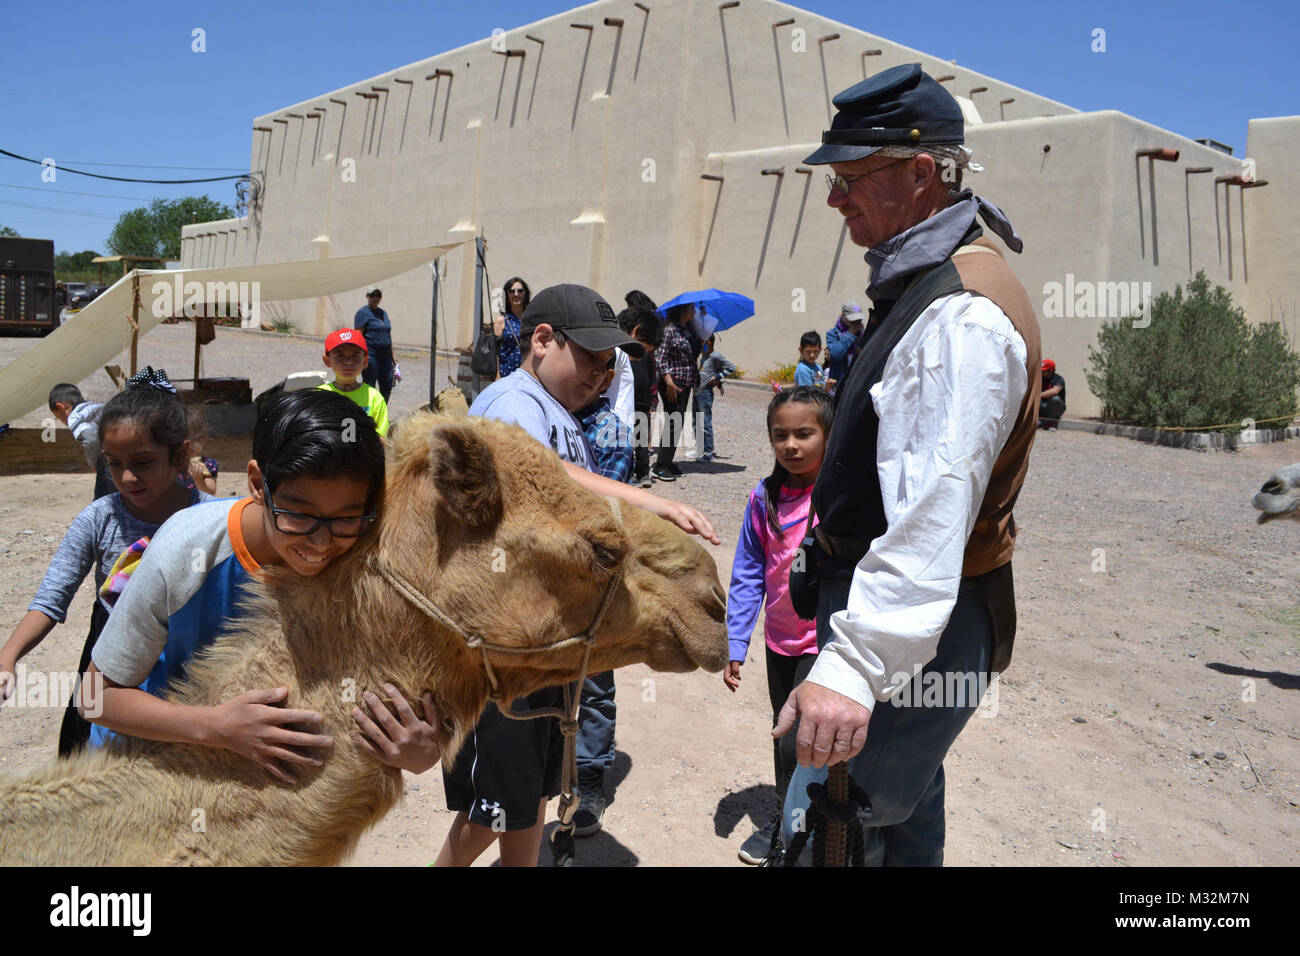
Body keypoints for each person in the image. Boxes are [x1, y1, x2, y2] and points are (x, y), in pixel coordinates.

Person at [773, 63, 1042, 866]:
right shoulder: (925, 281)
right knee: (905, 814)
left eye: (851, 177)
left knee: (838, 825)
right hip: (910, 622)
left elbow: (931, 516)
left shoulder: (961, 316)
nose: (834, 198)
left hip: (918, 623)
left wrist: (854, 669)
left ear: (922, 173)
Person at [436, 283, 718, 866]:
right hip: (503, 651)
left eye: (610, 363)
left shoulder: (555, 410)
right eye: (590, 357)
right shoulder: (513, 400)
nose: (602, 373)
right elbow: (542, 479)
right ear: (543, 340)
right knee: (495, 803)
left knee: (532, 794)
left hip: (542, 646)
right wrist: (650, 506)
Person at [78, 389, 439, 779]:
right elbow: (95, 698)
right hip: (153, 773)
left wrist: (422, 751)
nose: (321, 543)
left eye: (346, 518)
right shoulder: (186, 550)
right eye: (298, 516)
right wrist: (217, 727)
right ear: (256, 483)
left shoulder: (366, 556)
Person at [2, 370, 214, 755]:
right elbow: (51, 599)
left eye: (143, 462)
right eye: (114, 463)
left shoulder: (211, 519)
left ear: (180, 455)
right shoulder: (100, 519)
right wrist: (8, 657)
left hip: (188, 660)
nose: (127, 477)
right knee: (93, 761)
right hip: (109, 662)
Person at [723, 386, 833, 864]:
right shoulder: (764, 498)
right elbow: (748, 572)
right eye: (779, 435)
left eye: (804, 434)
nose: (791, 445)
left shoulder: (838, 498)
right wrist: (736, 641)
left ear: (829, 436)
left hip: (823, 643)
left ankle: (795, 834)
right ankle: (791, 820)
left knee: (797, 741)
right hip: (780, 641)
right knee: (782, 732)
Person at [652, 304, 699, 482]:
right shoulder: (669, 330)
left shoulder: (690, 330)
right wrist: (668, 380)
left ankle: (667, 461)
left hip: (685, 382)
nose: (694, 312)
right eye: (691, 309)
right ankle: (660, 466)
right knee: (673, 421)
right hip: (672, 383)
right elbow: (660, 358)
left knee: (677, 422)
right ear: (683, 311)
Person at [618, 300, 662, 489]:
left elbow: (652, 376)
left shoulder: (623, 356)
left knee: (641, 440)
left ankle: (641, 473)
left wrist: (652, 399)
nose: (642, 355)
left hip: (642, 403)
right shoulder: (612, 356)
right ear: (636, 332)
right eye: (645, 349)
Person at [318, 327, 390, 437]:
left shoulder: (374, 398)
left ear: (365, 361)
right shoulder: (320, 396)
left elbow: (382, 438)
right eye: (340, 356)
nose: (348, 362)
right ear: (327, 361)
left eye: (355, 356)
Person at [48, 383, 114, 500]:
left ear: (61, 408)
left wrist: (93, 463)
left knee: (103, 501)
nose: (63, 422)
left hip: (108, 463)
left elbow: (91, 439)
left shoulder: (76, 417)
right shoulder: (98, 407)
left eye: (59, 417)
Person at [695, 334, 736, 462]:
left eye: (703, 342)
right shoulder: (703, 356)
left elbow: (731, 367)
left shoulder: (715, 356)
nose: (701, 345)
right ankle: (700, 449)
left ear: (709, 343)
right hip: (697, 392)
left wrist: (717, 377)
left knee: (705, 422)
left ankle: (708, 452)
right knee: (696, 422)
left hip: (705, 393)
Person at [353, 288, 395, 402]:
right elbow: (358, 337)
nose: (375, 298)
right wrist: (361, 357)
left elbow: (388, 335)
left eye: (378, 295)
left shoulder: (383, 313)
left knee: (387, 386)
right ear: (367, 296)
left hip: (385, 357)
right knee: (370, 386)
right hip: (371, 355)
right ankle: (369, 410)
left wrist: (393, 356)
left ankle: (381, 409)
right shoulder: (363, 313)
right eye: (372, 295)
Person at [493, 277, 530, 379]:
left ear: (525, 294)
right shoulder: (501, 321)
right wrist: (497, 375)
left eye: (520, 291)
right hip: (506, 374)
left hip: (526, 374)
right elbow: (495, 352)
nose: (516, 294)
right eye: (512, 291)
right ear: (507, 295)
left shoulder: (530, 319)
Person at [825, 301, 865, 393]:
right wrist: (850, 333)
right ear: (843, 317)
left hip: (857, 382)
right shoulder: (832, 334)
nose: (856, 323)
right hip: (840, 384)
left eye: (858, 320)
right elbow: (836, 355)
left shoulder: (862, 333)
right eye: (852, 320)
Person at [1039, 359, 1066, 429]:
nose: (1042, 372)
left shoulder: (1058, 379)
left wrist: (1038, 395)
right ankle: (1038, 421)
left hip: (1055, 408)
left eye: (1044, 370)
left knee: (1055, 399)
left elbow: (1055, 391)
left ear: (1051, 370)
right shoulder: (1039, 378)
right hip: (1042, 406)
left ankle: (1051, 424)